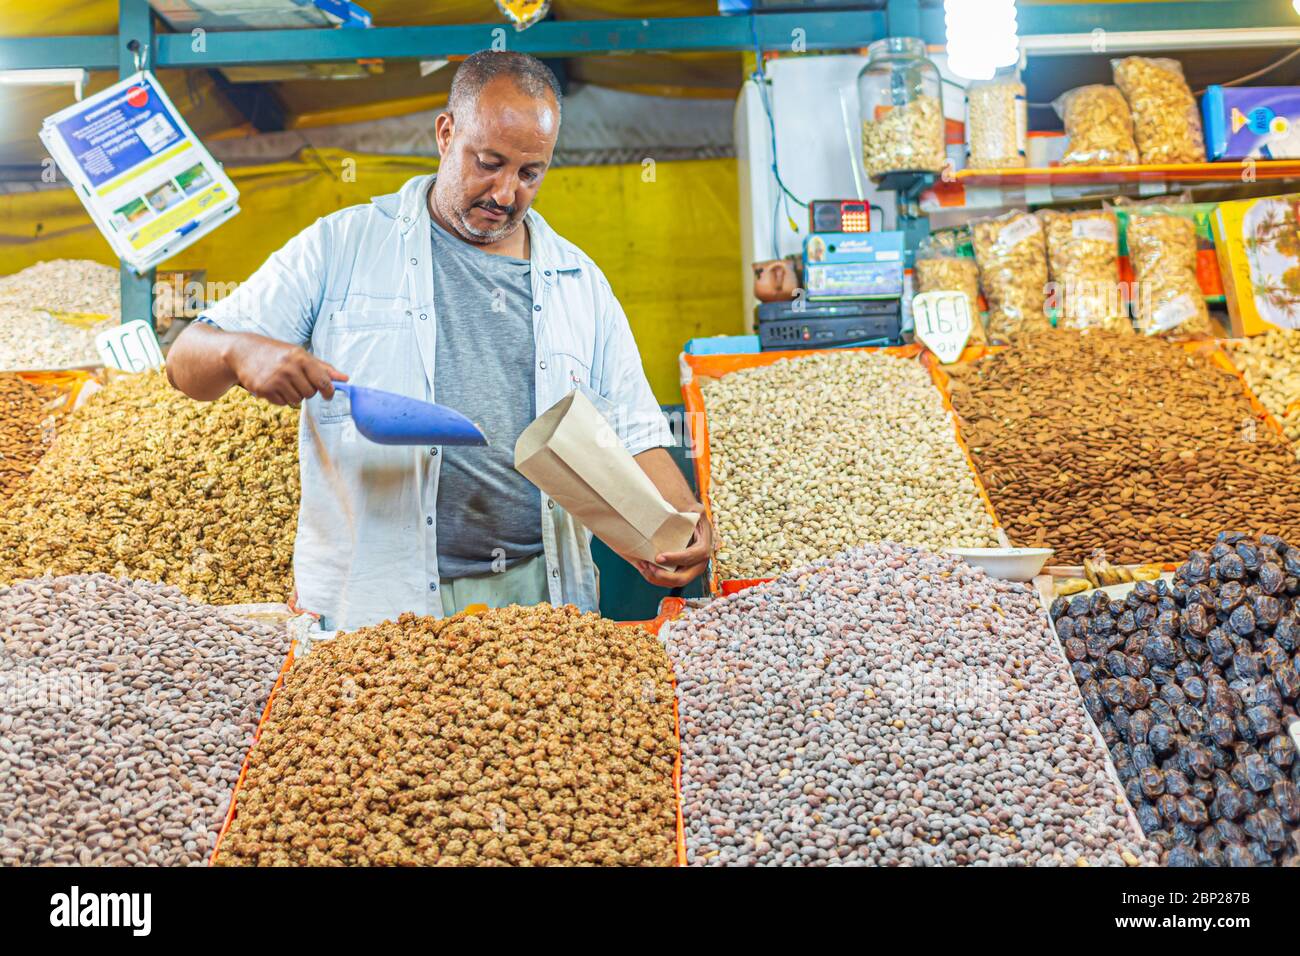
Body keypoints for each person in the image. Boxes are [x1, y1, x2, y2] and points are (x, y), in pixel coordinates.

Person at [167, 50, 712, 630]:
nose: (505, 193)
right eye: (489, 162)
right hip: (380, 597)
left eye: (530, 174)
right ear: (446, 133)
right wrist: (239, 350)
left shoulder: (581, 282)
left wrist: (677, 522)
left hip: (539, 593)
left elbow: (635, 429)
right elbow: (184, 362)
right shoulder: (342, 246)